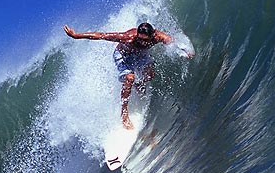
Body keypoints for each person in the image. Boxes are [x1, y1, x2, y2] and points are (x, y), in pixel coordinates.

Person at [63, 22, 193, 129]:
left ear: (152, 35)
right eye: (140, 39)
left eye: (145, 40)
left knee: (149, 76)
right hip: (123, 56)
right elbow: (102, 35)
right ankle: (124, 113)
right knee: (130, 78)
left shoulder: (158, 37)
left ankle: (138, 85)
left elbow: (172, 41)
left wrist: (185, 51)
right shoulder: (128, 37)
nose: (142, 42)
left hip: (140, 56)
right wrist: (77, 36)